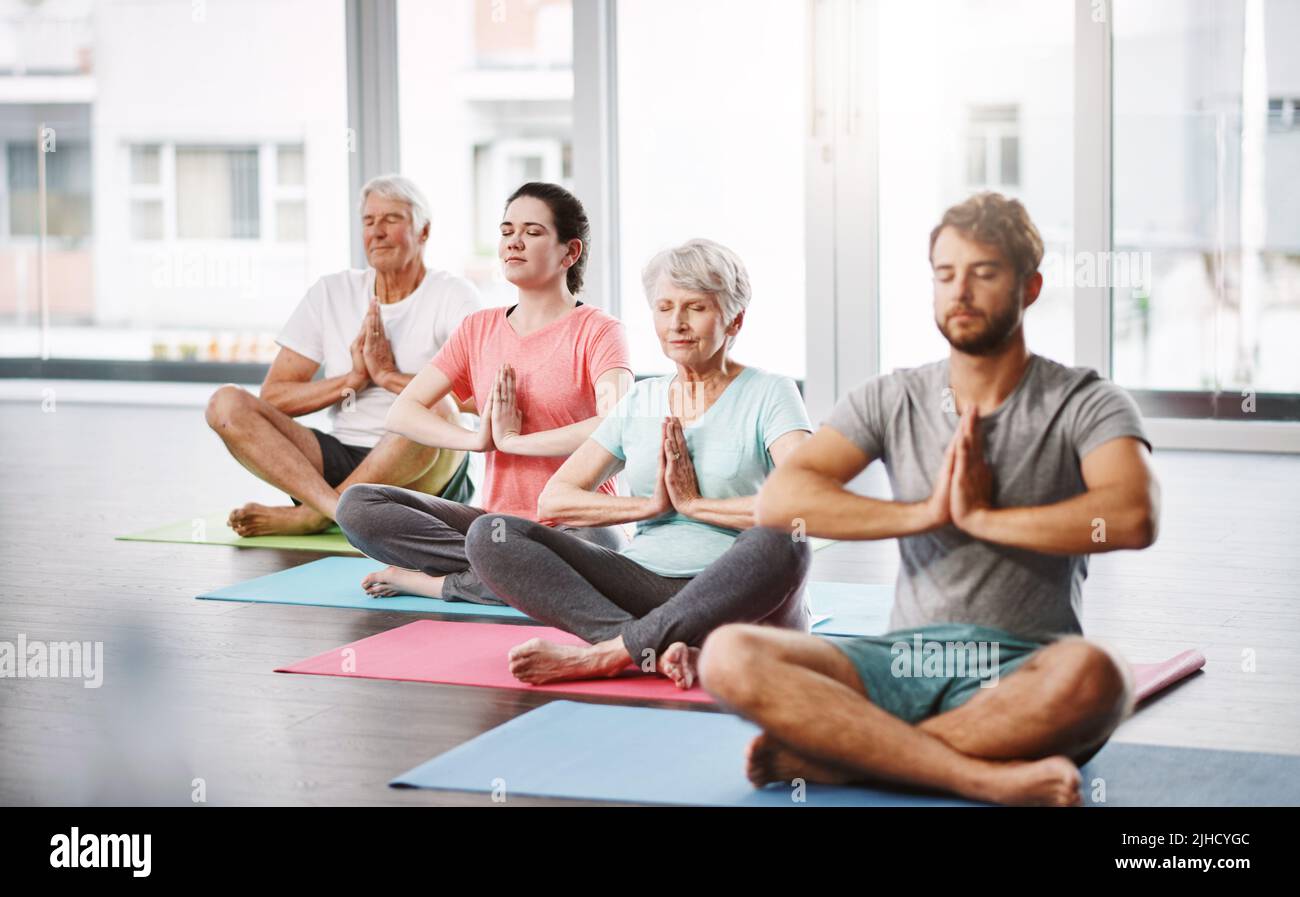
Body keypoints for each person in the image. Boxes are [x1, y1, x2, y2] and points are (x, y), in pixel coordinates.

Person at [699, 192, 1160, 807]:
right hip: (897, 662)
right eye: (945, 274)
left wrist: (987, 518)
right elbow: (783, 501)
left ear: (1030, 287)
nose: (960, 291)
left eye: (983, 273)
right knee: (729, 653)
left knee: (1101, 678)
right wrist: (925, 514)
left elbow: (1132, 515)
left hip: (1024, 668)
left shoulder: (1085, 400)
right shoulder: (893, 397)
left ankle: (846, 755)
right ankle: (976, 776)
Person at [464, 239, 813, 689]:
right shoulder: (641, 400)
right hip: (644, 582)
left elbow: (806, 501)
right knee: (493, 535)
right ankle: (647, 647)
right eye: (664, 308)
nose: (677, 323)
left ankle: (608, 655)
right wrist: (650, 506)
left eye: (695, 308)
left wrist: (694, 504)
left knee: (785, 537)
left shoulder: (771, 392)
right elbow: (555, 499)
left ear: (735, 320)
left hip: (739, 590)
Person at [334, 182, 634, 604]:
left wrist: (515, 442)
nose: (514, 241)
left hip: (577, 524)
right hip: (492, 528)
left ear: (570, 253)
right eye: (507, 229)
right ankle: (512, 571)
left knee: (590, 556)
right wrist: (477, 440)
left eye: (532, 232)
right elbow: (403, 412)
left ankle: (435, 583)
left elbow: (618, 424)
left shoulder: (600, 330)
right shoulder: (479, 328)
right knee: (358, 507)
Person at [205, 174, 479, 536]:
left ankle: (311, 515)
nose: (377, 232)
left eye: (391, 219)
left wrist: (387, 377)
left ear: (423, 231)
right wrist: (353, 380)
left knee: (435, 409)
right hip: (342, 456)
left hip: (423, 472)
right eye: (369, 221)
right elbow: (274, 397)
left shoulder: (453, 295)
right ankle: (336, 509)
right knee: (225, 403)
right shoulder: (331, 292)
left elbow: (478, 400)